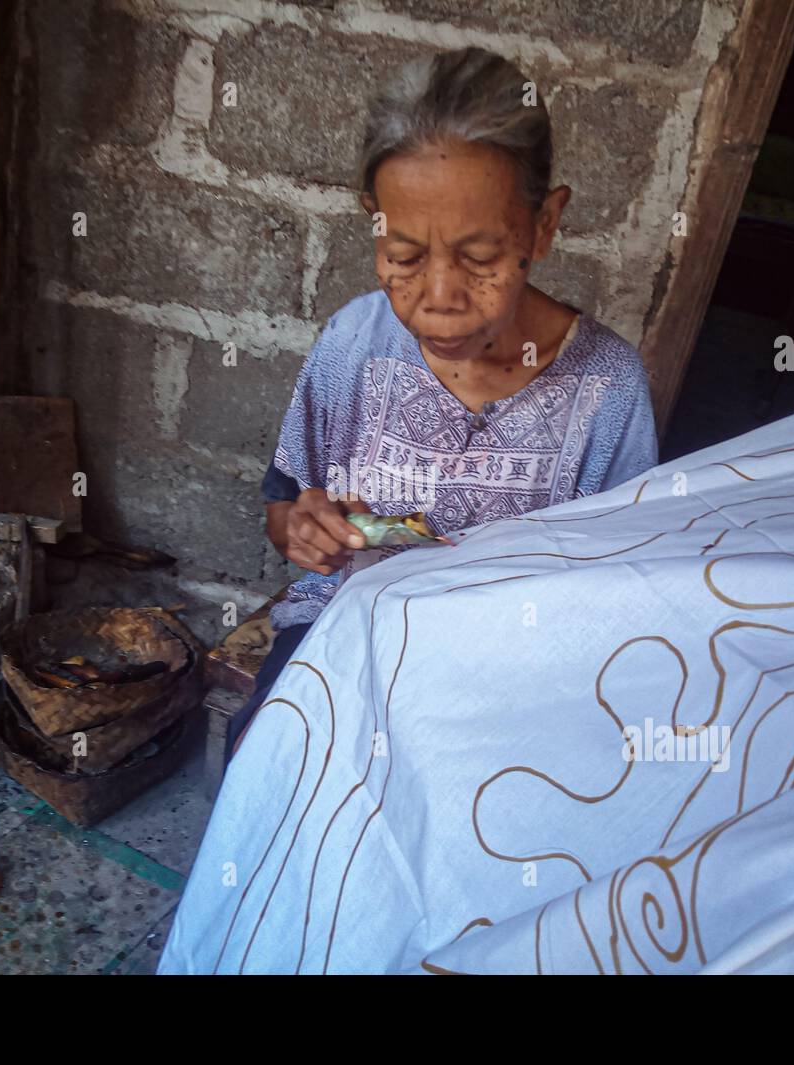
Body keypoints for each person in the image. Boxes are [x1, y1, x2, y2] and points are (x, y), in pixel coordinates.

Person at [226, 46, 658, 762]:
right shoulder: (352, 345)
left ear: (544, 226)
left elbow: (614, 596)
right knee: (281, 776)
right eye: (403, 256)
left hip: (515, 675)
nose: (439, 296)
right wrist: (306, 529)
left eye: (482, 258)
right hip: (347, 632)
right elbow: (286, 511)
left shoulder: (607, 385)